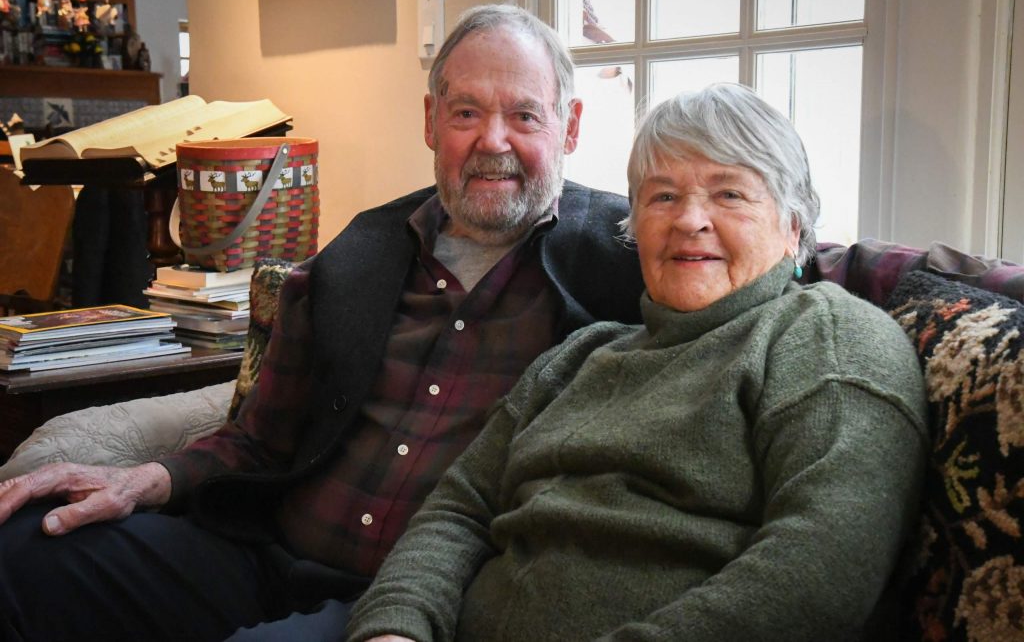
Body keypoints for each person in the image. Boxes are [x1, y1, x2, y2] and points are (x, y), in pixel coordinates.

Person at [0, 5, 645, 642]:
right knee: (23, 552)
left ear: (569, 126)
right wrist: (140, 480)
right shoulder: (361, 252)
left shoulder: (620, 263)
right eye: (467, 113)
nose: (493, 142)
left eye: (525, 115)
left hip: (411, 603)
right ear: (430, 121)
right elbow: (257, 441)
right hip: (261, 558)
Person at [344, 83, 930, 642]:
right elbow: (459, 509)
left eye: (729, 194)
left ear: (792, 226)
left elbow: (822, 567)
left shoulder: (824, 336)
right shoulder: (579, 355)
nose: (689, 220)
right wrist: (396, 623)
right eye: (663, 196)